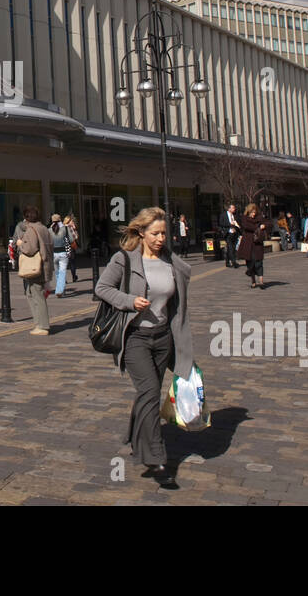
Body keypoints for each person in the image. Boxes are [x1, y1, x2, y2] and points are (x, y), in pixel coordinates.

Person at [94, 206, 193, 488]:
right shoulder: (124, 259)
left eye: (164, 233)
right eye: (155, 233)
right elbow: (102, 288)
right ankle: (157, 457)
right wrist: (129, 301)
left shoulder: (170, 262)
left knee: (149, 394)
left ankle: (137, 439)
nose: (161, 238)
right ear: (141, 232)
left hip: (163, 338)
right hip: (135, 336)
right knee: (149, 391)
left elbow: (177, 305)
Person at [15, 205, 55, 334]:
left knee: (37, 295)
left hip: (36, 267)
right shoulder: (44, 228)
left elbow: (30, 249)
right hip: (45, 265)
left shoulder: (31, 230)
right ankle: (39, 323)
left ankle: (42, 325)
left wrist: (21, 245)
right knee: (32, 293)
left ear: (27, 218)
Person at [237, 203, 270, 288]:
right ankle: (253, 281)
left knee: (259, 262)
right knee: (250, 262)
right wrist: (258, 226)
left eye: (254, 212)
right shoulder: (244, 218)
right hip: (248, 243)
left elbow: (269, 223)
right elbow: (247, 226)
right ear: (248, 212)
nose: (253, 214)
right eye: (252, 212)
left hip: (257, 242)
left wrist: (264, 225)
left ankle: (261, 281)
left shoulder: (259, 218)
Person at [50, 213, 74, 297]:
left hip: (53, 253)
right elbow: (71, 240)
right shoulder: (65, 228)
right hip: (63, 253)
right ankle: (60, 291)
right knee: (62, 272)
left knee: (57, 272)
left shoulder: (49, 230)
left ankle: (61, 290)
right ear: (60, 219)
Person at [223, 203, 241, 268]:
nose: (234, 209)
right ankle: (234, 262)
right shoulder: (223, 215)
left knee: (231, 248)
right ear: (229, 208)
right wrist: (230, 224)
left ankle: (227, 262)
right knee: (231, 248)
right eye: (233, 208)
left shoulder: (235, 215)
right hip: (228, 234)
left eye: (234, 208)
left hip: (235, 233)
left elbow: (238, 223)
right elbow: (221, 223)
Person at [64, 214, 80, 283]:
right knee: (72, 263)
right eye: (72, 221)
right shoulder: (70, 228)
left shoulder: (62, 228)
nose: (73, 222)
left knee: (64, 264)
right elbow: (75, 237)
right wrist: (75, 229)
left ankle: (64, 279)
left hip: (63, 247)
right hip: (71, 247)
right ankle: (74, 277)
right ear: (68, 221)